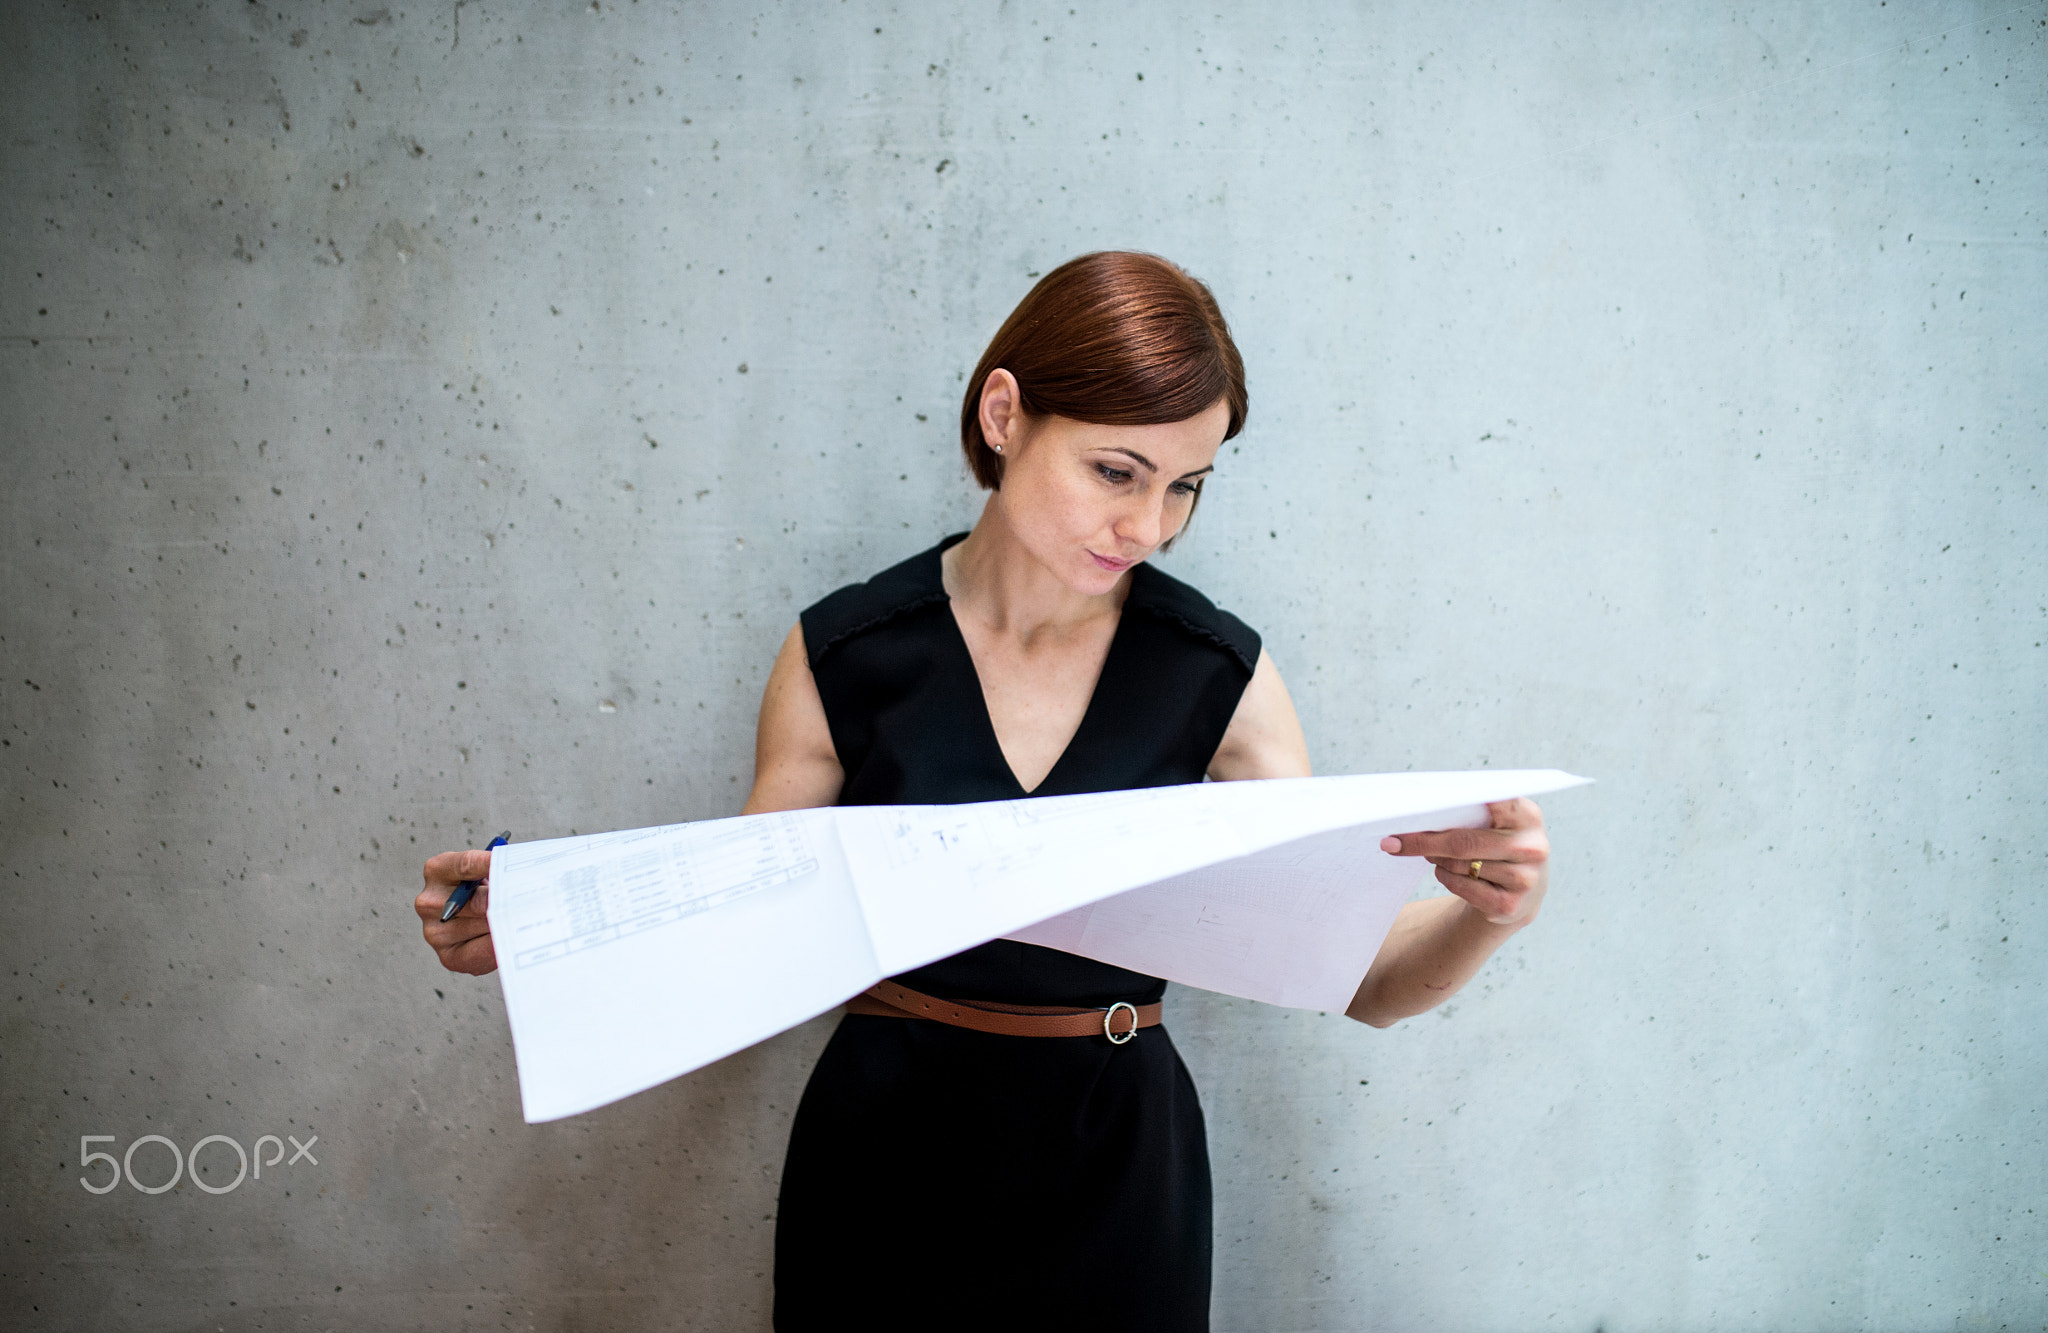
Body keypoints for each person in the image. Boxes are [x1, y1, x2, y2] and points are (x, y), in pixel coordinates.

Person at [415, 252, 1552, 1331]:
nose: (1147, 526)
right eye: (1116, 472)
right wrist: (543, 930)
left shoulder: (1221, 676)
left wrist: (1487, 912)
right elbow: (737, 935)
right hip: (882, 1165)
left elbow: (1362, 980)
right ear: (1004, 415)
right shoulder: (846, 652)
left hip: (1119, 1181)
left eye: (1185, 487)